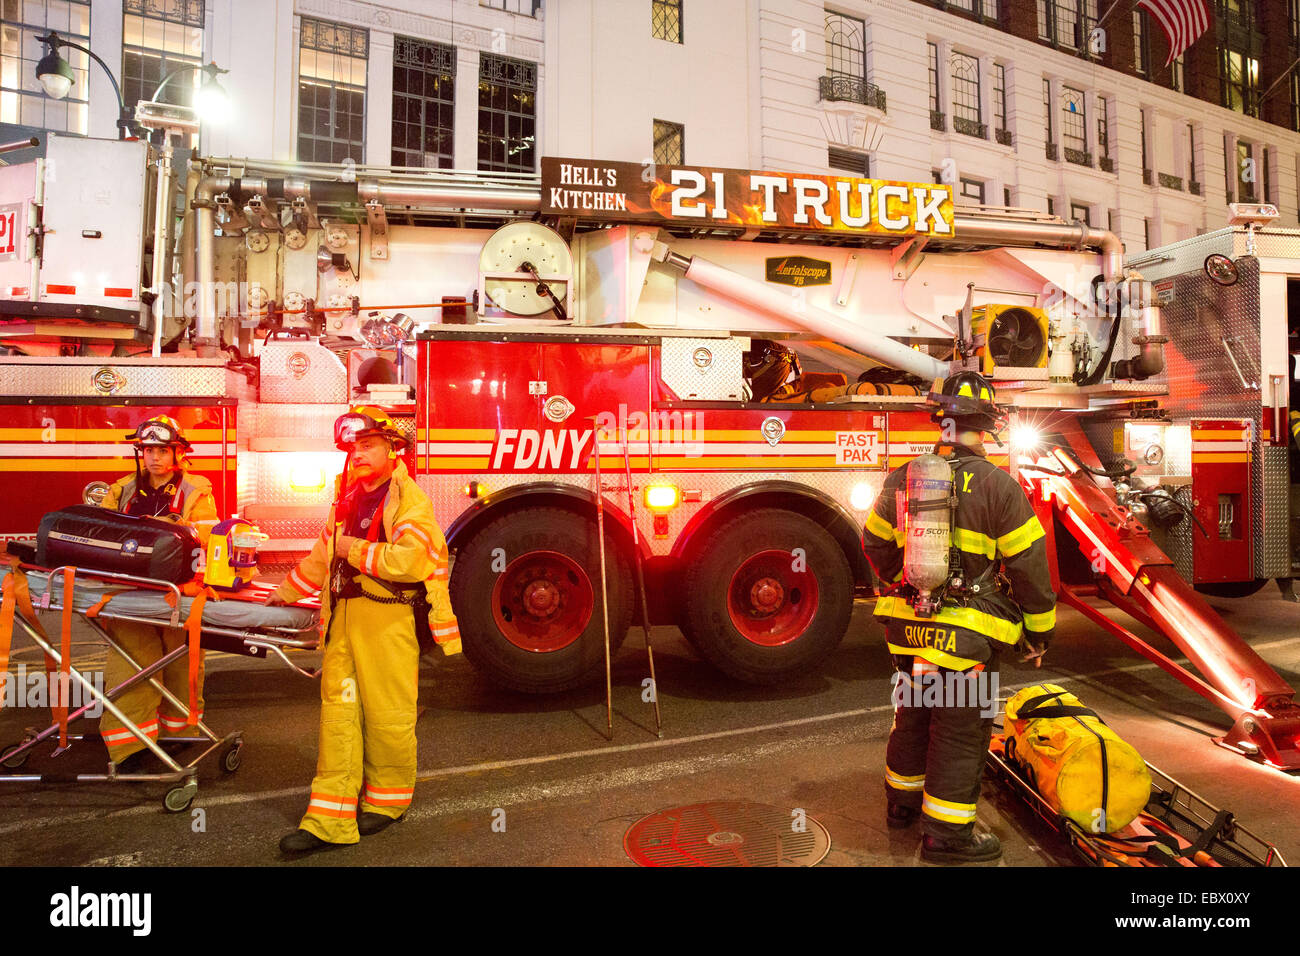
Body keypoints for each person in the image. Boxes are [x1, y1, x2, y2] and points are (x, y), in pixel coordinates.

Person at [862, 371, 1056, 864]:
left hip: (908, 631)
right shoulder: (999, 487)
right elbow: (1029, 567)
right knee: (960, 730)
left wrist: (903, 578)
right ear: (987, 424)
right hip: (965, 640)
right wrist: (1038, 632)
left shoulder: (903, 476)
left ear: (939, 420)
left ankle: (901, 807)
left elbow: (875, 542)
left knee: (913, 716)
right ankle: (947, 838)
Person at [270, 406, 459, 855]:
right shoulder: (347, 497)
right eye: (353, 446)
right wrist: (281, 595)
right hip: (344, 621)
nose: (358, 453)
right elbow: (322, 556)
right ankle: (328, 820)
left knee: (388, 715)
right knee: (339, 717)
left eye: (369, 444)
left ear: (393, 450)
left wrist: (352, 548)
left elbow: (411, 562)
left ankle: (388, 802)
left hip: (387, 620)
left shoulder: (409, 500)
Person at [98, 415, 218, 770]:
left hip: (175, 594)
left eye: (163, 450)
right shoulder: (121, 490)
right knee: (130, 664)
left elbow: (206, 537)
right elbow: (102, 535)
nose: (155, 457)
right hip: (128, 594)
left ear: (178, 453)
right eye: (149, 449)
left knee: (182, 664)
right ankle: (129, 745)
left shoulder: (196, 491)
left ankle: (178, 733)